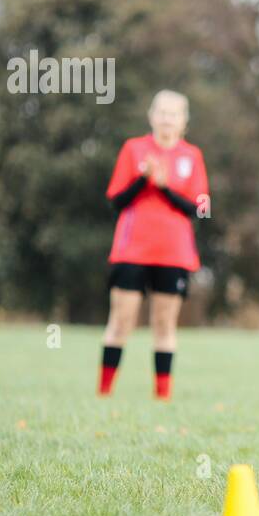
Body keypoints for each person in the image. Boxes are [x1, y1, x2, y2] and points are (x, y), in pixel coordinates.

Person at [98, 89, 209, 401]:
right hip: (131, 250)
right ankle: (104, 394)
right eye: (161, 112)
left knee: (164, 324)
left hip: (174, 253)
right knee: (121, 321)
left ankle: (162, 397)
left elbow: (199, 209)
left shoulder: (192, 156)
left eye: (173, 114)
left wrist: (164, 186)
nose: (166, 119)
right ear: (151, 116)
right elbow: (116, 201)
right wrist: (142, 179)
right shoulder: (134, 149)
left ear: (183, 121)